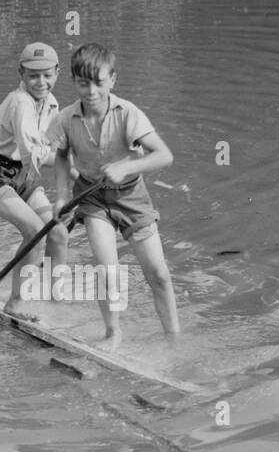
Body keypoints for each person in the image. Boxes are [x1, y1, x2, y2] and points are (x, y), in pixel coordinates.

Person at [47, 43, 180, 348]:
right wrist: (61, 197)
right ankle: (112, 334)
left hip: (132, 197)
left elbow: (164, 156)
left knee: (158, 273)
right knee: (107, 270)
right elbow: (61, 156)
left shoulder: (127, 113)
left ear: (113, 80)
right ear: (74, 81)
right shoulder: (67, 118)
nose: (91, 91)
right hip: (93, 200)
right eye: (83, 83)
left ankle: (173, 338)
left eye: (99, 82)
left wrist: (127, 166)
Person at [0, 42, 68, 321]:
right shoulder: (20, 102)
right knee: (35, 231)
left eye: (47, 74)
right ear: (21, 74)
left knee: (57, 233)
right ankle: (15, 304)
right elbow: (34, 153)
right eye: (33, 75)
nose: (41, 82)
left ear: (58, 72)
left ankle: (56, 302)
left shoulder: (52, 103)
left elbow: (54, 148)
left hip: (20, 172)